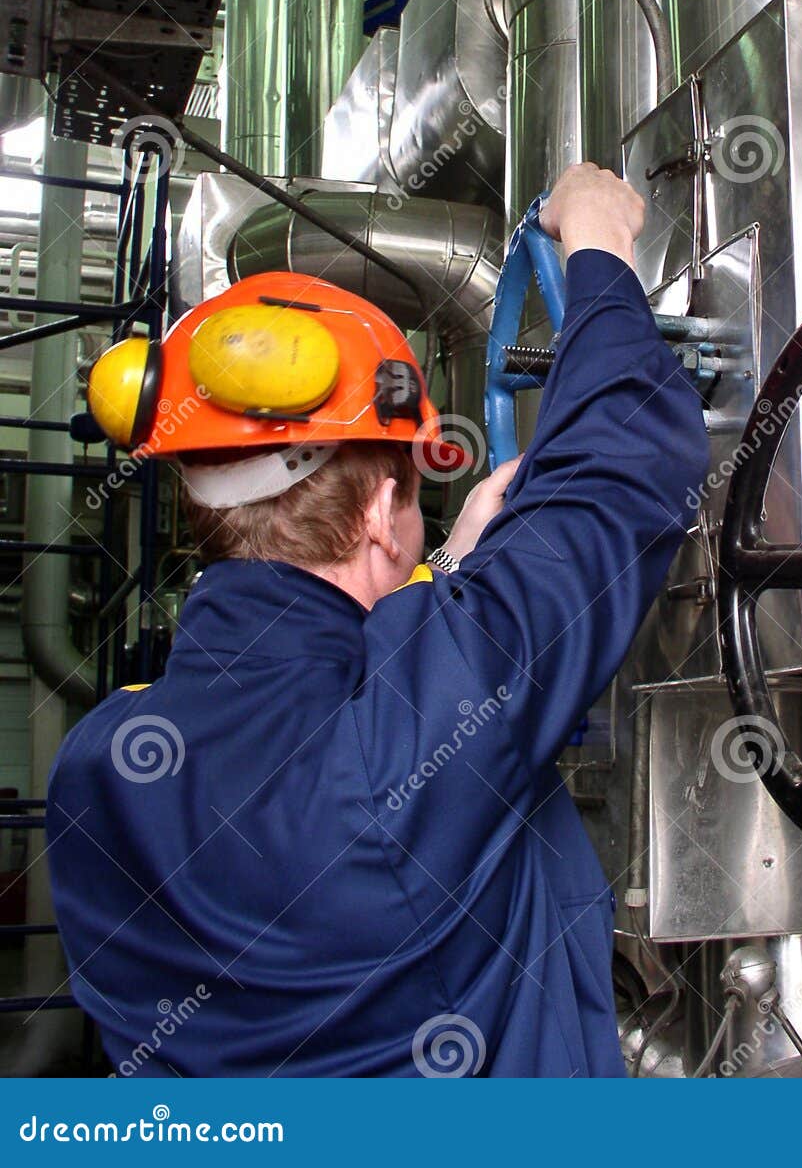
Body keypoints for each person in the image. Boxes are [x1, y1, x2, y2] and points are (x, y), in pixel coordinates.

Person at [46, 164, 708, 1077]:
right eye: (413, 497)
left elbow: (337, 713)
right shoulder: (400, 750)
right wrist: (598, 240)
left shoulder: (96, 767)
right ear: (372, 516)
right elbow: (628, 456)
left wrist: (459, 569)